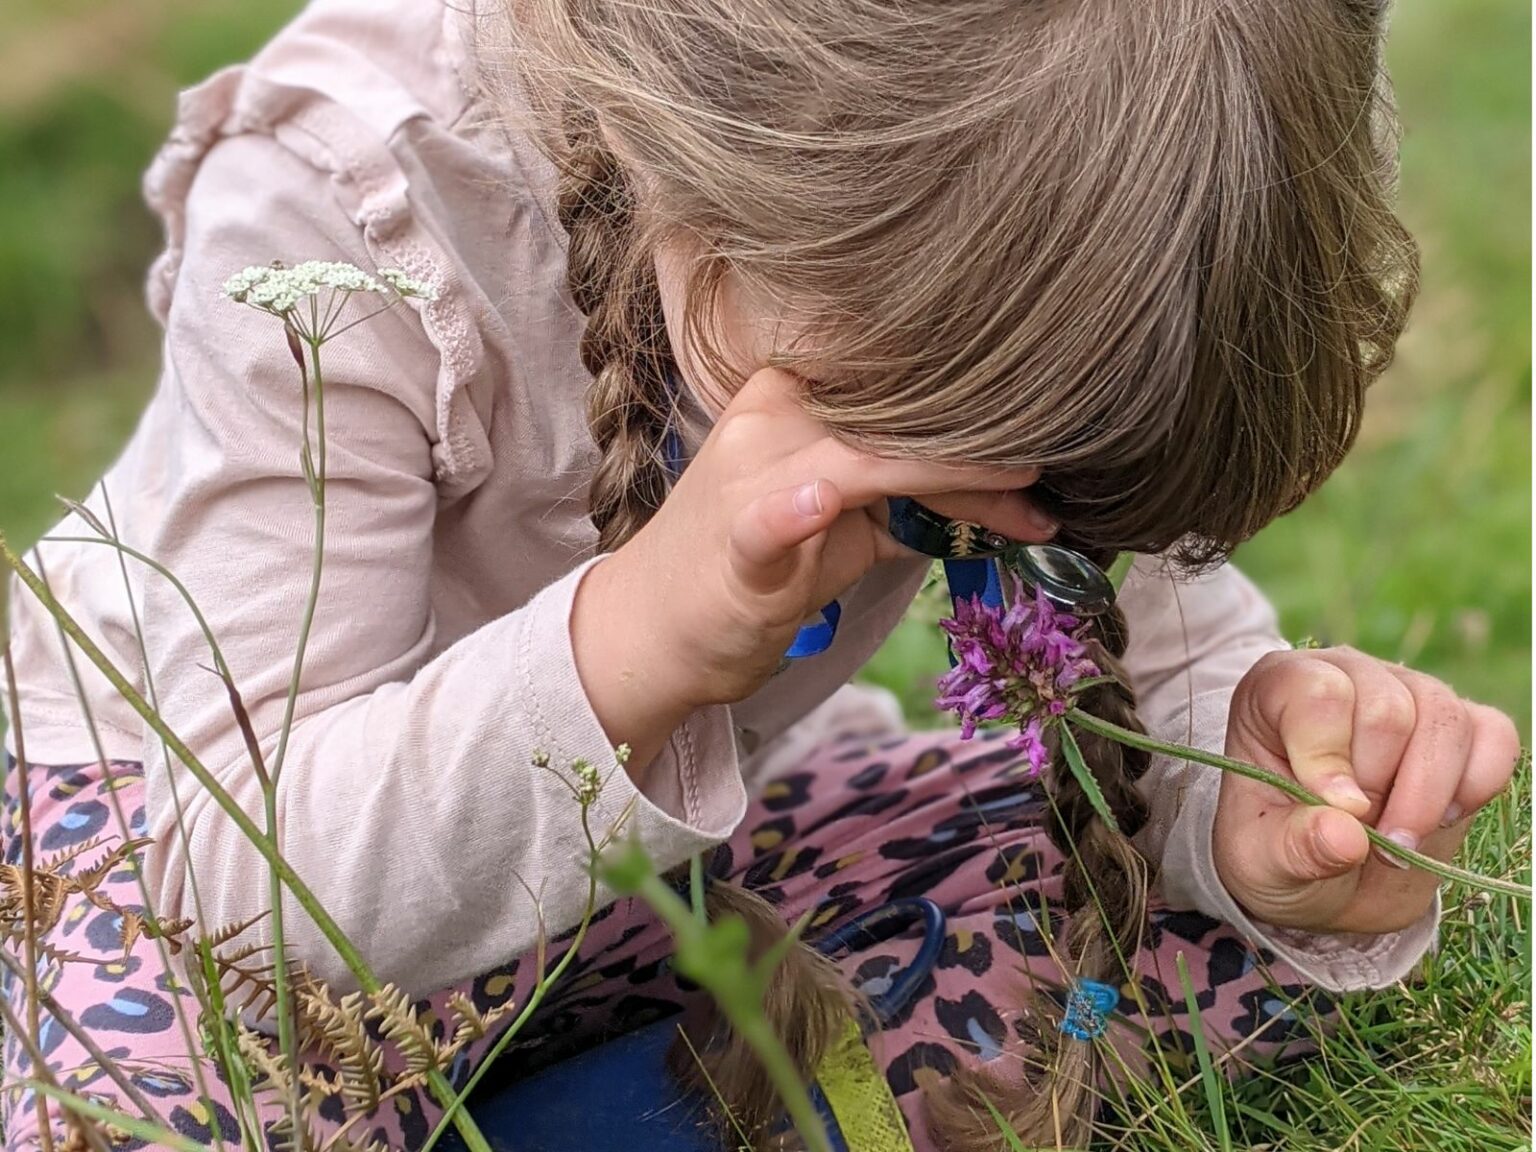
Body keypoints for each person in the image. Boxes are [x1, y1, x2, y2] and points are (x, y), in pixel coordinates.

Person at [1, 0, 1521, 1148]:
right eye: (941, 462)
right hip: (186, 862)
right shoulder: (356, 186)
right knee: (125, 1118)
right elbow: (242, 890)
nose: (995, 518)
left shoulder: (1066, 213)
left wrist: (1244, 809)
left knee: (1170, 946)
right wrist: (640, 638)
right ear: (719, 190)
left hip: (654, 873)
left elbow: (1158, 663)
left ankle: (579, 1102)